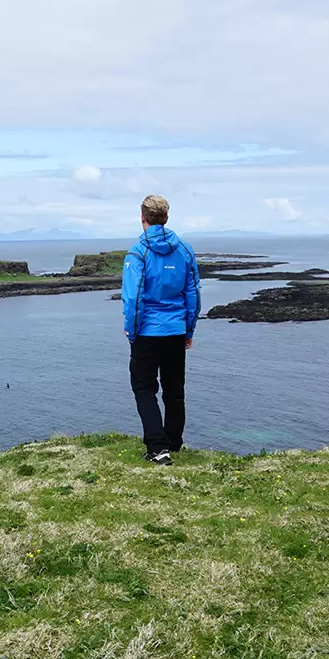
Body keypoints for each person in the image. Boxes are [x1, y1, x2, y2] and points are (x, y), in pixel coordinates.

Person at [121, 195, 201, 466]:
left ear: (142, 217)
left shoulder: (138, 253)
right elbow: (193, 294)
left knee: (144, 388)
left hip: (147, 332)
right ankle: (173, 442)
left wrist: (131, 332)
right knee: (174, 389)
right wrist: (189, 330)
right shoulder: (185, 250)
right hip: (176, 330)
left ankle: (157, 448)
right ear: (166, 218)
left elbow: (133, 298)